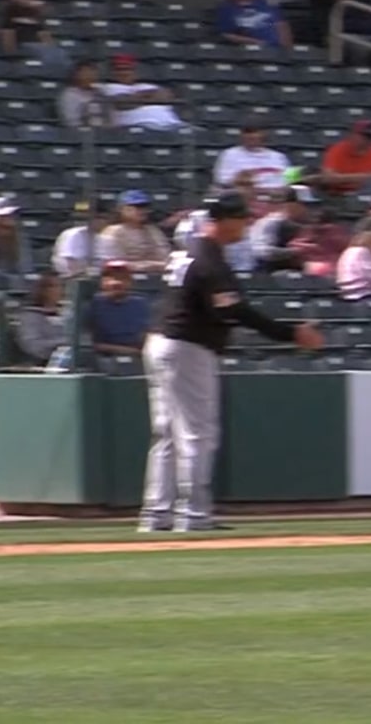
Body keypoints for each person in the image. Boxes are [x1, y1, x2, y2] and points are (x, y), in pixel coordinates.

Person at [139, 191, 324, 532]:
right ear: (222, 220)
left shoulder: (190, 251)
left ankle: (157, 513)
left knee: (166, 432)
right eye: (240, 217)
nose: (245, 223)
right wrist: (290, 333)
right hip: (187, 347)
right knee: (197, 433)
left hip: (162, 342)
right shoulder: (209, 259)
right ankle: (194, 515)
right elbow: (234, 311)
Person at [87, 261, 149, 369]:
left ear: (130, 282)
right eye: (111, 278)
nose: (116, 282)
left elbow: (146, 336)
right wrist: (126, 350)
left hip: (139, 357)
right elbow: (90, 343)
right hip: (102, 359)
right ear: (102, 282)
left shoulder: (140, 304)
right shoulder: (93, 304)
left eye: (123, 278)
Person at [100, 54, 187, 131]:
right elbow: (122, 103)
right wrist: (150, 97)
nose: (124, 73)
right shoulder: (107, 87)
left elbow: (167, 97)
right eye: (119, 69)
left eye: (128, 69)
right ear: (112, 72)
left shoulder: (148, 86)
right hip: (139, 127)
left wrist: (137, 98)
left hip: (173, 124)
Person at [97, 190, 172, 273]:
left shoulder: (153, 230)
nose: (142, 211)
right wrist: (146, 265)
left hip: (154, 276)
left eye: (144, 207)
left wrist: (148, 265)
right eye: (136, 207)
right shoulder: (112, 231)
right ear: (122, 209)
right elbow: (112, 264)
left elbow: (166, 260)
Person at [215, 0, 292, 49]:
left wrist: (287, 50)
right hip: (252, 50)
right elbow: (226, 34)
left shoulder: (266, 4)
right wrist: (256, 42)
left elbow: (282, 25)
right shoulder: (228, 8)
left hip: (277, 51)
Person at [213, 124, 290, 193]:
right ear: (242, 136)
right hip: (240, 197)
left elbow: (290, 180)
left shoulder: (279, 157)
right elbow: (222, 180)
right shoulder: (229, 154)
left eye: (255, 133)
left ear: (264, 135)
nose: (251, 136)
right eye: (248, 133)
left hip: (274, 196)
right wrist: (241, 180)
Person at [322, 120, 371, 194]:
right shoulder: (337, 150)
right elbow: (328, 178)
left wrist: (347, 178)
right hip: (339, 194)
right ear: (353, 135)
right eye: (366, 136)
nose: (369, 140)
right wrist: (364, 177)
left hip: (366, 194)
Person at [16, 272, 65, 366]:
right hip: (40, 364)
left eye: (61, 286)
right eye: (54, 286)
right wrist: (61, 344)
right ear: (43, 290)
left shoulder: (68, 314)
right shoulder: (30, 316)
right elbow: (32, 346)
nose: (60, 290)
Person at [58, 59, 109, 129]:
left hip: (104, 133)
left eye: (92, 72)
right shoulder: (69, 96)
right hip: (81, 135)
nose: (89, 76)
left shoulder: (100, 93)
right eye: (85, 72)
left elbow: (110, 117)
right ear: (76, 75)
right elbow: (71, 122)